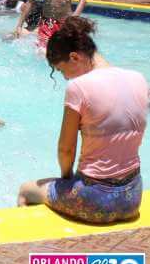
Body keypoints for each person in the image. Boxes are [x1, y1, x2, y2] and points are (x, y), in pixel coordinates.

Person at [17, 18, 146, 223]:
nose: (66, 78)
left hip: (95, 201)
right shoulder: (139, 78)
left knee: (26, 190)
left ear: (74, 57)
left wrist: (66, 180)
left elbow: (66, 150)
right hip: (133, 197)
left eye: (61, 70)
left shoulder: (79, 87)